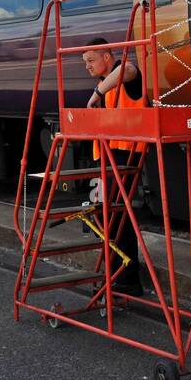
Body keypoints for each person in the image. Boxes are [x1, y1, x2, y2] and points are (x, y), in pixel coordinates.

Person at [83, 37, 147, 296]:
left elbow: (126, 70)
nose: (87, 66)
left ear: (107, 57)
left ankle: (128, 277)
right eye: (85, 61)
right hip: (109, 158)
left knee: (116, 215)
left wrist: (97, 94)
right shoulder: (104, 83)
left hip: (125, 156)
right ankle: (121, 273)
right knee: (112, 215)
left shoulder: (125, 73)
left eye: (91, 60)